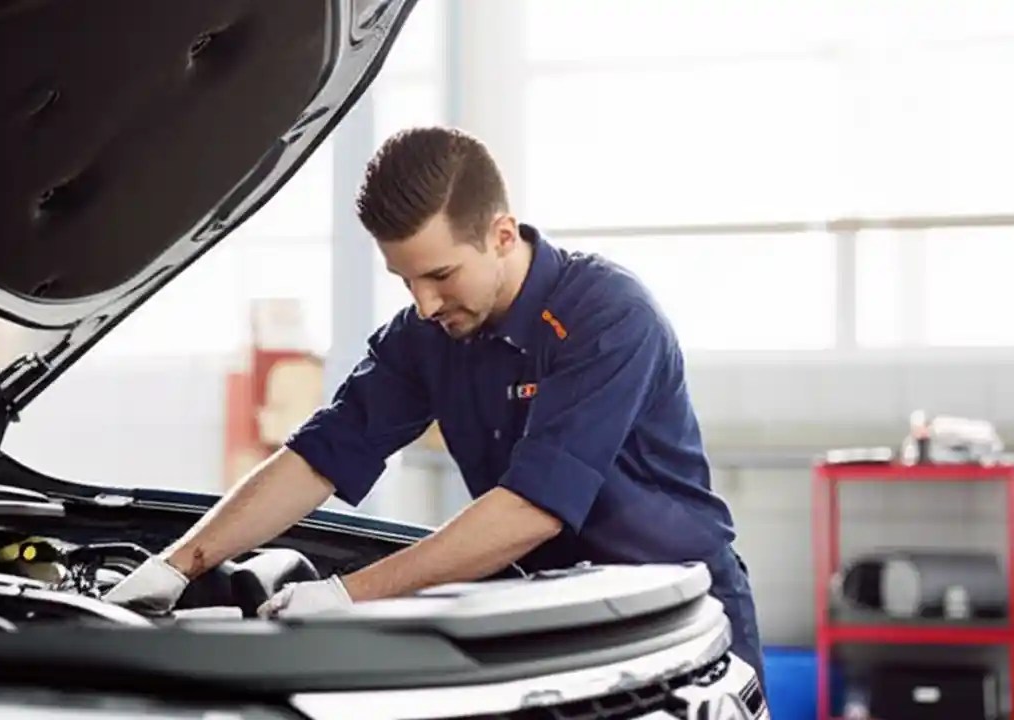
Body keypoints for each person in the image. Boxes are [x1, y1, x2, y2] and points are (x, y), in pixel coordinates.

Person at [103, 126, 764, 683]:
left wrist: (346, 595)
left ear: (502, 234)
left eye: (441, 275)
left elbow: (531, 512)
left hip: (678, 622)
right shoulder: (427, 336)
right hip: (550, 621)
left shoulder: (609, 318)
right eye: (406, 279)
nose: (424, 303)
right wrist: (179, 562)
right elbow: (318, 458)